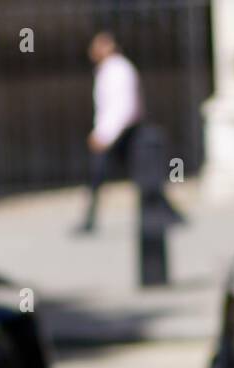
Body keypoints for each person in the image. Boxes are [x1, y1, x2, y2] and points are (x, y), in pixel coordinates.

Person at [76, 31, 143, 234]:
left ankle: (89, 220)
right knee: (104, 176)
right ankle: (89, 219)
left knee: (103, 174)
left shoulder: (119, 70)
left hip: (119, 132)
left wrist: (104, 135)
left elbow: (123, 106)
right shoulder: (108, 70)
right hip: (115, 131)